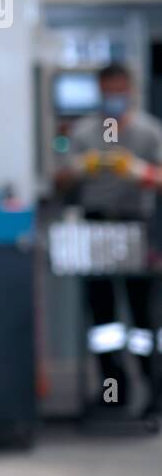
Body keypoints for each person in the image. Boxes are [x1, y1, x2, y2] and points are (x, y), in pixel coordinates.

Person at [56, 61, 162, 419]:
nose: (114, 97)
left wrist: (140, 171)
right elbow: (60, 180)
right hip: (97, 227)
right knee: (104, 322)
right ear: (99, 91)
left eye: (120, 90)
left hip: (136, 226)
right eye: (108, 91)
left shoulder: (149, 132)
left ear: (131, 89)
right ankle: (113, 394)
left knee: (143, 319)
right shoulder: (85, 132)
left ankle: (154, 394)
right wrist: (77, 169)